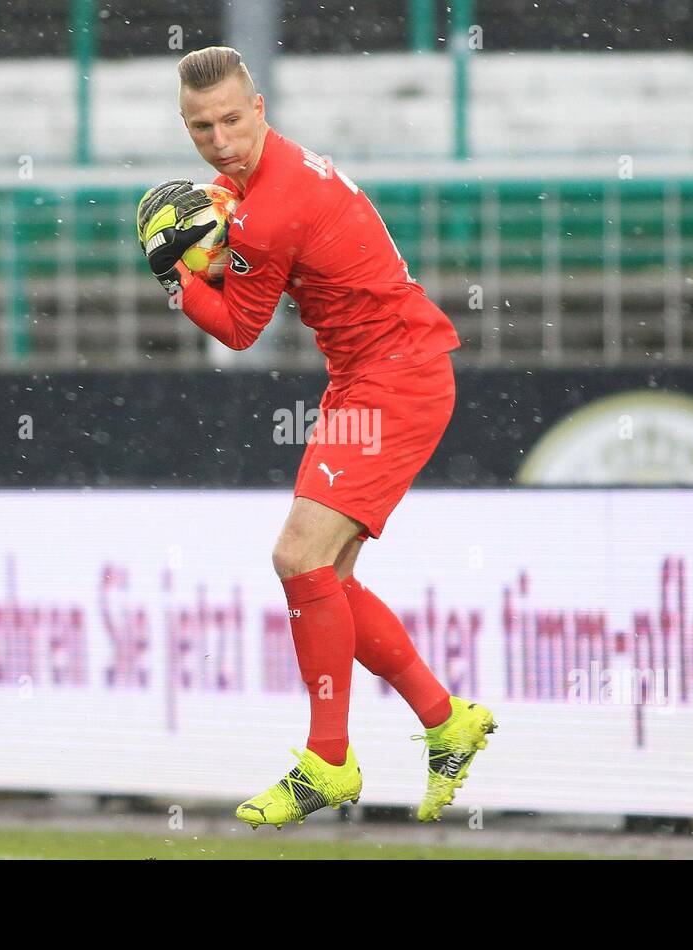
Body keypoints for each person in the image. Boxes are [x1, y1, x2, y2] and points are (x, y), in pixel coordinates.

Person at [136, 46, 496, 827]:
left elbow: (236, 328)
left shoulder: (272, 207)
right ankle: (446, 721)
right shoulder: (256, 186)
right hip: (372, 375)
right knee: (326, 577)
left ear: (260, 109)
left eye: (233, 119)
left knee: (297, 557)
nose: (220, 139)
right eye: (202, 127)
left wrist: (175, 277)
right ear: (186, 125)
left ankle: (328, 763)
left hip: (395, 377)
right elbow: (241, 239)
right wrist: (211, 236)